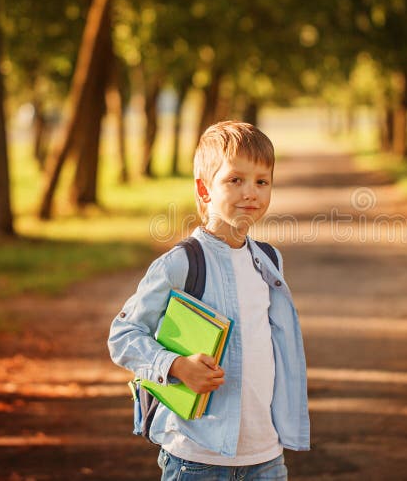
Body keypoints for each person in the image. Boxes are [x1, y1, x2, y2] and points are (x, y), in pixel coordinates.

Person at [108, 121, 310, 480]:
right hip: (197, 456)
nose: (251, 193)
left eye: (262, 182)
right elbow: (123, 334)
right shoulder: (182, 262)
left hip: (266, 455)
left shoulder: (269, 260)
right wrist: (175, 365)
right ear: (204, 190)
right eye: (236, 180)